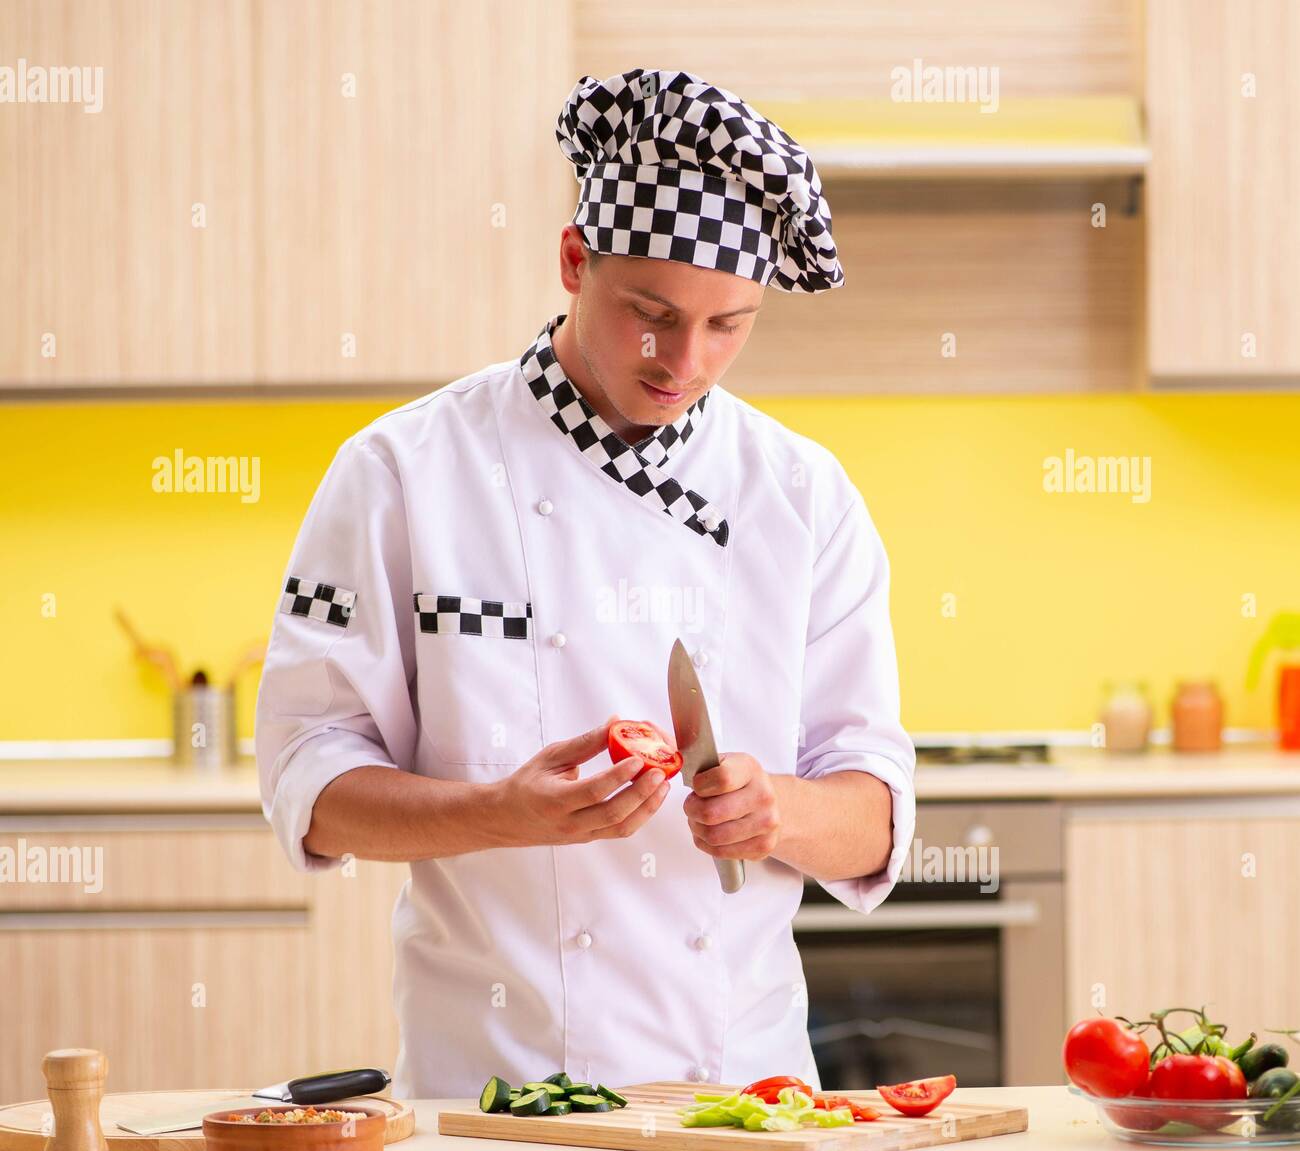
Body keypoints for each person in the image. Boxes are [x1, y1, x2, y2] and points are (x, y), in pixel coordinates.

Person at [256, 69, 916, 1097]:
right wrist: (499, 810)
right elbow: (310, 783)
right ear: (573, 260)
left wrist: (774, 811)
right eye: (650, 311)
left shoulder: (801, 495)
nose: (683, 361)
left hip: (743, 1097)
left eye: (728, 324)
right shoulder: (401, 472)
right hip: (493, 1092)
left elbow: (873, 812)